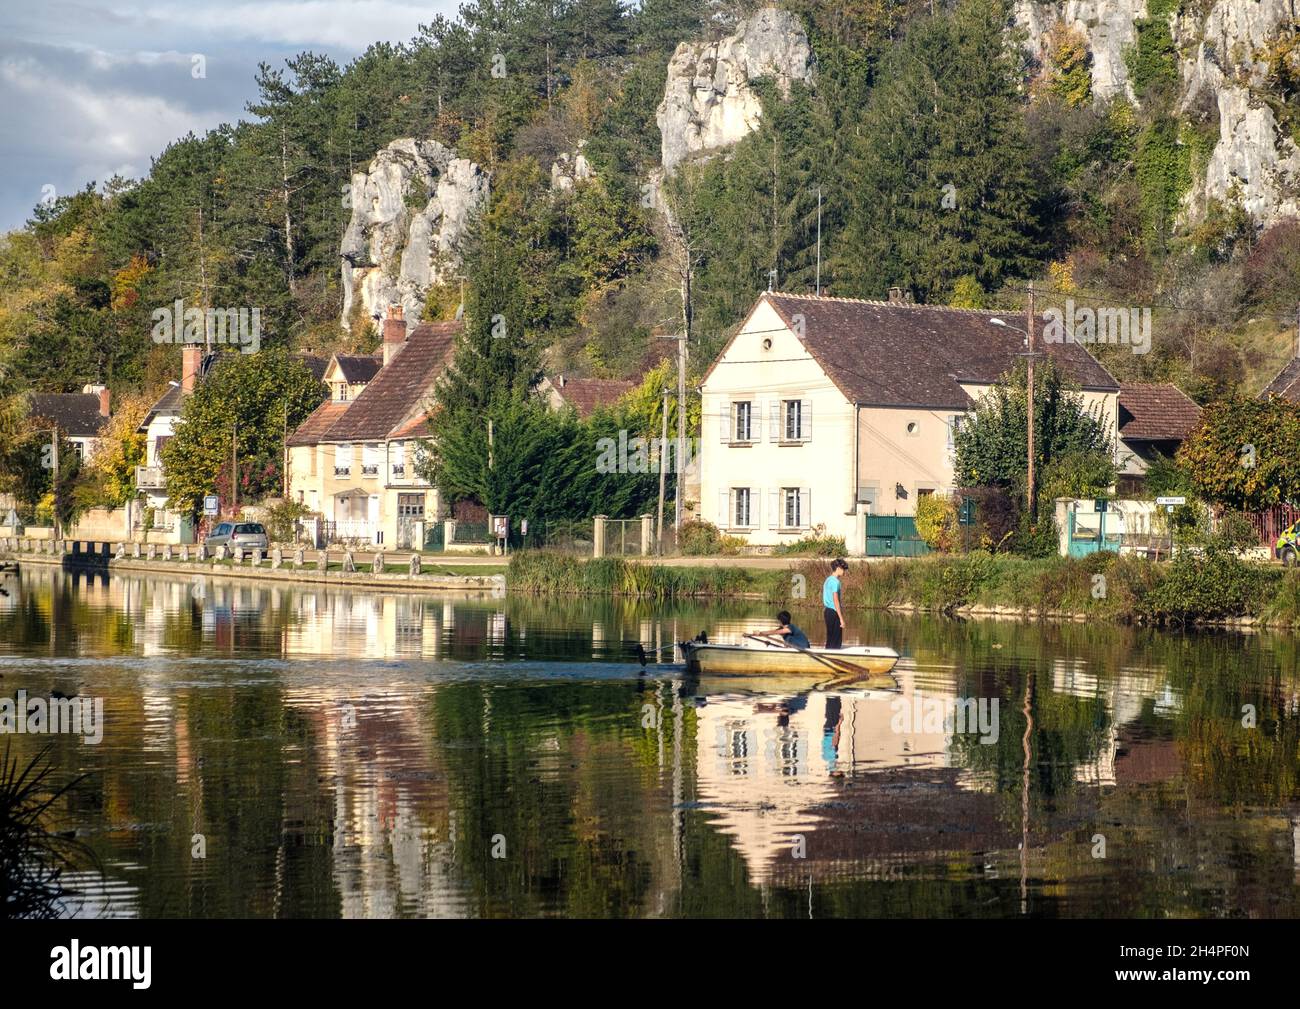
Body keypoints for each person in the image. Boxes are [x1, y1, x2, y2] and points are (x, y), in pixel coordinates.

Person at [822, 558, 848, 649]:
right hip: (834, 612)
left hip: (827, 611)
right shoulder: (835, 582)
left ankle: (828, 653)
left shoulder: (828, 580)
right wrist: (841, 618)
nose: (844, 572)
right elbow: (835, 600)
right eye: (843, 569)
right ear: (838, 568)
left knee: (830, 638)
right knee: (836, 640)